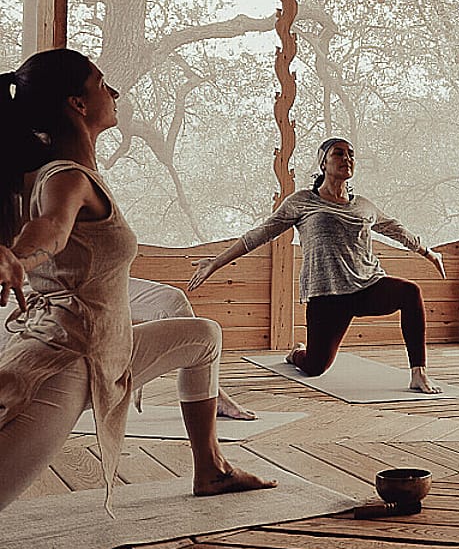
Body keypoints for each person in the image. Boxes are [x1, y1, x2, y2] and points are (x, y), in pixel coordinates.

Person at [0, 48, 275, 513]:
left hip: (108, 347)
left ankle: (210, 469)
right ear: (78, 104)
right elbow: (50, 227)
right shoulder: (65, 178)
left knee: (204, 335)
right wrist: (20, 259)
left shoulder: (41, 174)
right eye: (102, 83)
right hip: (67, 363)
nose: (115, 91)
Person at [189, 137, 446, 393]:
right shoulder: (302, 202)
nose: (347, 158)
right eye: (338, 153)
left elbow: (396, 229)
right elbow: (261, 234)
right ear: (323, 163)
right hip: (327, 295)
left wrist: (429, 252)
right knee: (315, 366)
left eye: (351, 154)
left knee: (410, 292)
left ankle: (418, 373)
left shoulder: (363, 205)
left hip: (368, 285)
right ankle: (298, 353)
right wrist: (216, 262)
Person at [0, 276, 257, 420]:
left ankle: (214, 395)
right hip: (11, 289)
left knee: (170, 301)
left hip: (65, 276)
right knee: (23, 347)